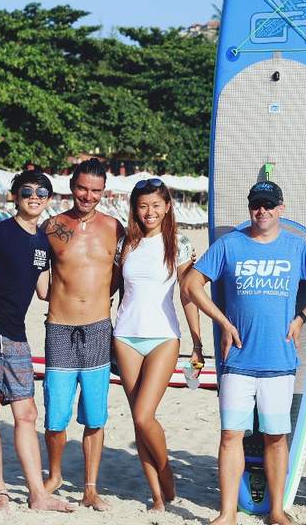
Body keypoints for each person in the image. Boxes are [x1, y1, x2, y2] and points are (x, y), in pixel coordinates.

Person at [181, 180, 306, 525]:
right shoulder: (230, 245)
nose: (263, 211)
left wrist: (302, 317)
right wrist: (223, 323)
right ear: (249, 208)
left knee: (275, 437)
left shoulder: (296, 247)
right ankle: (227, 513)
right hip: (238, 362)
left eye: (270, 205)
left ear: (281, 209)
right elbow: (191, 284)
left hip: (279, 362)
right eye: (257, 204)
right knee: (231, 436)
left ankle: (276, 511)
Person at [0, 171, 73, 512]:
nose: (34, 197)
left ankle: (38, 495)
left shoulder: (43, 243)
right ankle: (1, 493)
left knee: (27, 413)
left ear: (49, 200)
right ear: (15, 196)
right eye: (27, 191)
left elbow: (43, 292)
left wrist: (82, 284)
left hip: (17, 336)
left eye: (42, 193)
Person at [113, 178, 202, 511]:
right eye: (142, 205)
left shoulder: (179, 243)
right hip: (125, 336)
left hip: (164, 335)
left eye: (155, 205)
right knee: (139, 421)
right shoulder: (125, 245)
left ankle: (167, 474)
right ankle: (156, 495)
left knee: (144, 414)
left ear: (167, 206)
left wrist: (196, 340)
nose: (149, 212)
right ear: (135, 209)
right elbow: (119, 291)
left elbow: (188, 292)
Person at [41, 158, 123, 510]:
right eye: (82, 188)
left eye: (95, 190)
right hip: (59, 326)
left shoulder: (115, 228)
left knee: (95, 414)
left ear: (104, 191)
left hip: (97, 328)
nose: (88, 196)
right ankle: (56, 474)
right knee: (55, 414)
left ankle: (90, 486)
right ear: (71, 186)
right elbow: (34, 264)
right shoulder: (54, 227)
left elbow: (125, 271)